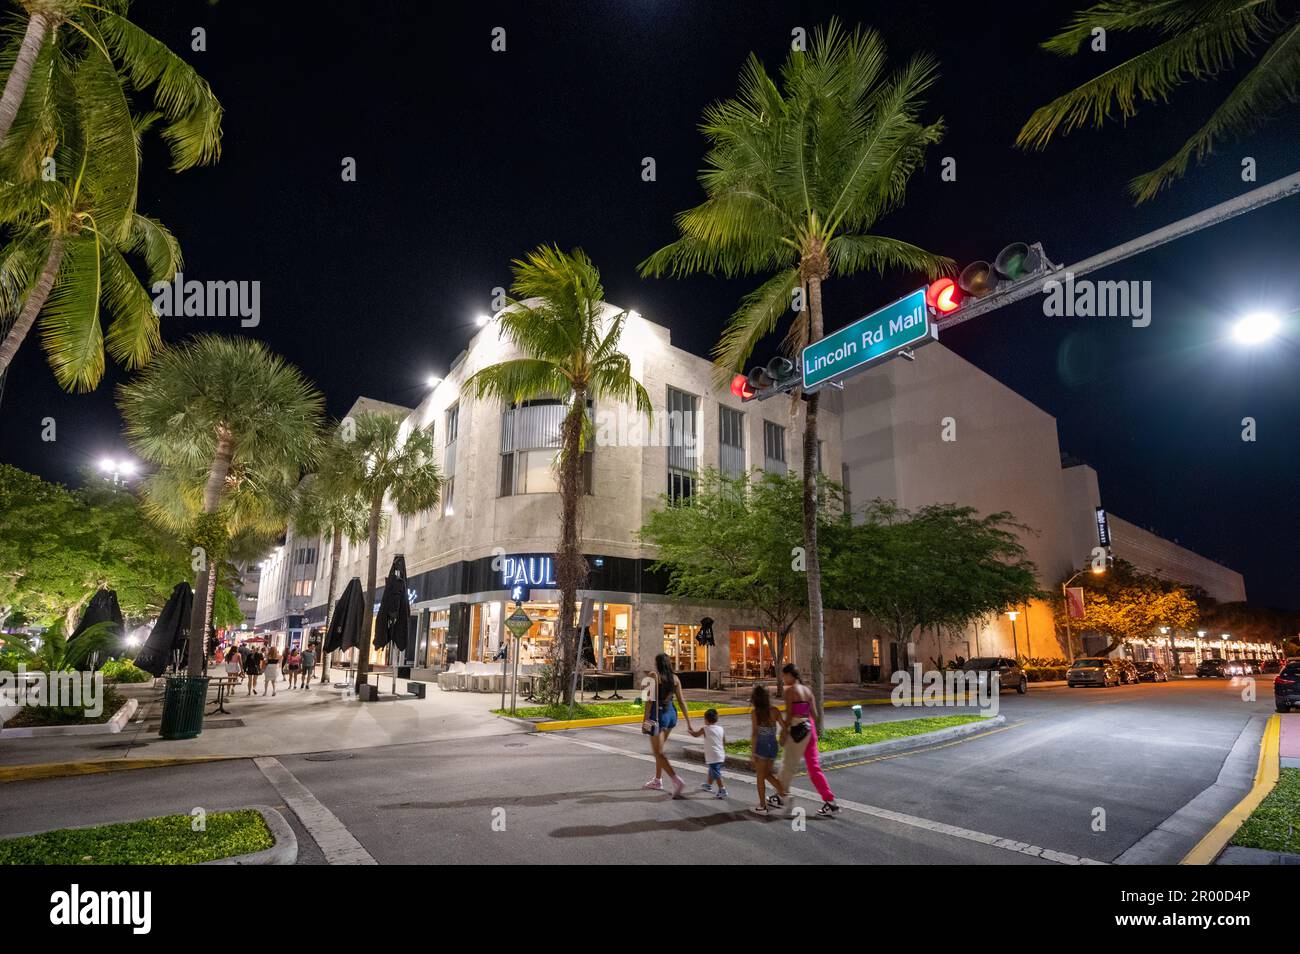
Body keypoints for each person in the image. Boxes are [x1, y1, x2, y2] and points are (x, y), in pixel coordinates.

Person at [776, 664, 839, 816]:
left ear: (791, 675)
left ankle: (780, 797)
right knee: (814, 768)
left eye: (784, 676)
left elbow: (790, 714)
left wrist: (784, 733)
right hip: (809, 730)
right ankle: (830, 802)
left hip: (797, 731)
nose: (783, 679)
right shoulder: (808, 691)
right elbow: (816, 715)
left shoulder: (791, 691)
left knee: (787, 765)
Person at [641, 653, 694, 797]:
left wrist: (645, 720)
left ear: (658, 664)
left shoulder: (653, 677)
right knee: (660, 750)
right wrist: (689, 723)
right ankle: (657, 780)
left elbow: (648, 701)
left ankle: (676, 780)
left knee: (658, 752)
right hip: (671, 715)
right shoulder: (675, 678)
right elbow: (682, 701)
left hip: (657, 715)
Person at [748, 684, 787, 814]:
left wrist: (753, 752)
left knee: (760, 777)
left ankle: (762, 805)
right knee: (767, 774)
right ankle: (783, 793)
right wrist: (782, 737)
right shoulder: (775, 710)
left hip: (761, 746)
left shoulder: (755, 714)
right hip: (773, 746)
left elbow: (754, 733)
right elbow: (784, 725)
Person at [690, 708, 727, 799]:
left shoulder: (705, 728)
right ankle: (708, 785)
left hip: (713, 755)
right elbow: (724, 741)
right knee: (712, 770)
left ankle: (722, 789)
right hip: (720, 754)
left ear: (706, 719)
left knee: (716, 772)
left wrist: (690, 731)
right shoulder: (721, 729)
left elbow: (695, 735)